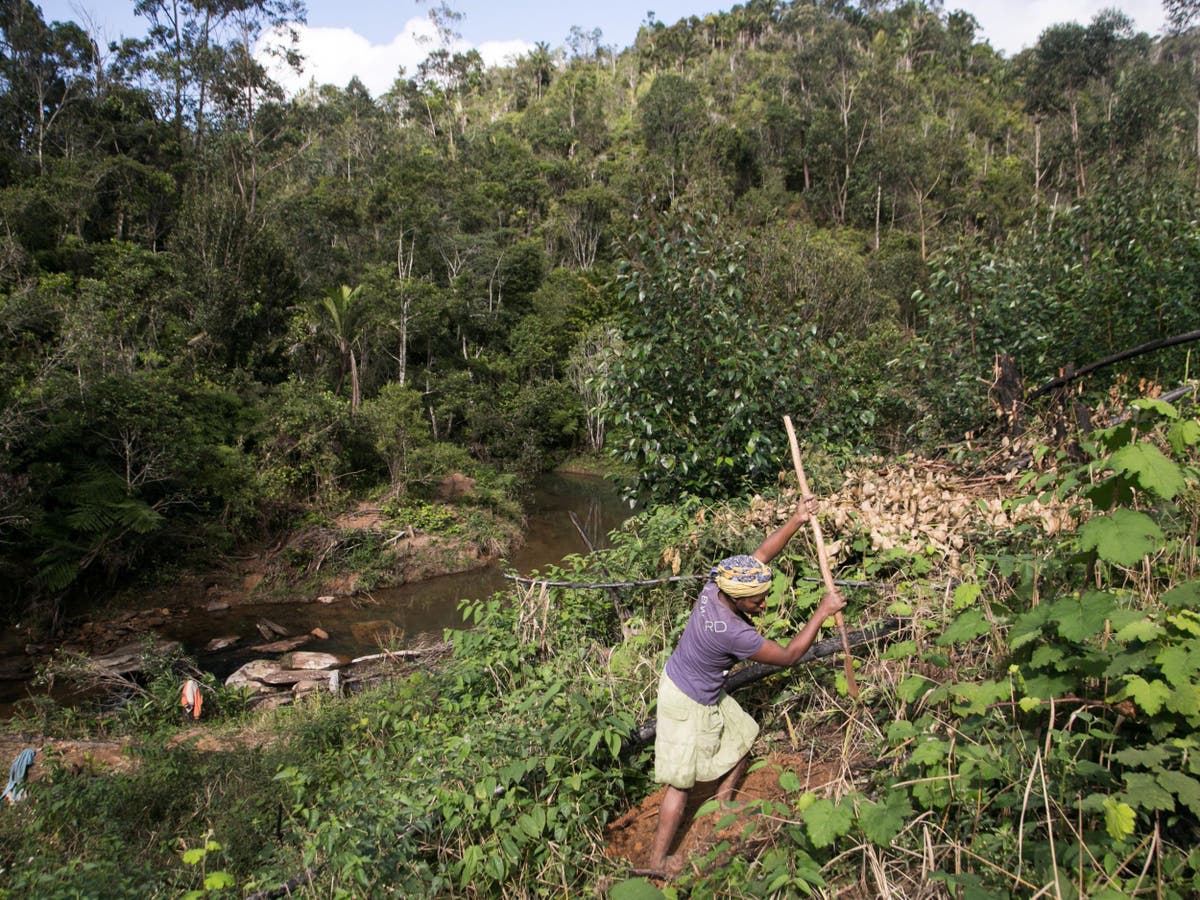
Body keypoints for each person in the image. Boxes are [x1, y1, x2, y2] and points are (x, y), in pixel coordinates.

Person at [648, 494, 847, 873]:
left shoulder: (716, 586)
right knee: (681, 783)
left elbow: (759, 556)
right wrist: (822, 612)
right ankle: (658, 861)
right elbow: (789, 656)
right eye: (759, 600)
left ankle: (723, 803)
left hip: (699, 688)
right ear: (738, 600)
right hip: (685, 698)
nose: (764, 604)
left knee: (743, 736)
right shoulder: (734, 633)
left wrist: (797, 520)